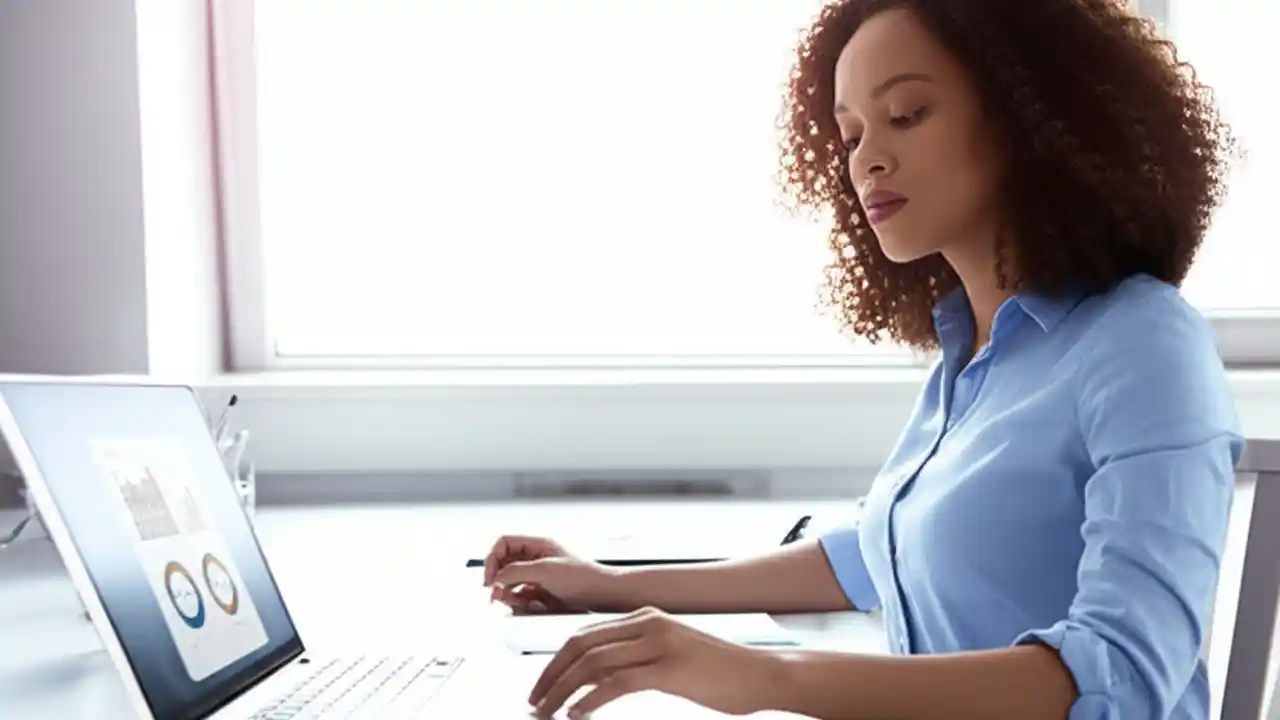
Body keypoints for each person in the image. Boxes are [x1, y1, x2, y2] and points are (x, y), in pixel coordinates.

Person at [483, 0, 1244, 717]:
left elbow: (1125, 677)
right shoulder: (972, 354)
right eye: (849, 136)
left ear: (1026, 115)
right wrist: (610, 589)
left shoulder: (1142, 344)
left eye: (905, 115)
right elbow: (875, 554)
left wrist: (763, 679)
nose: (866, 160)